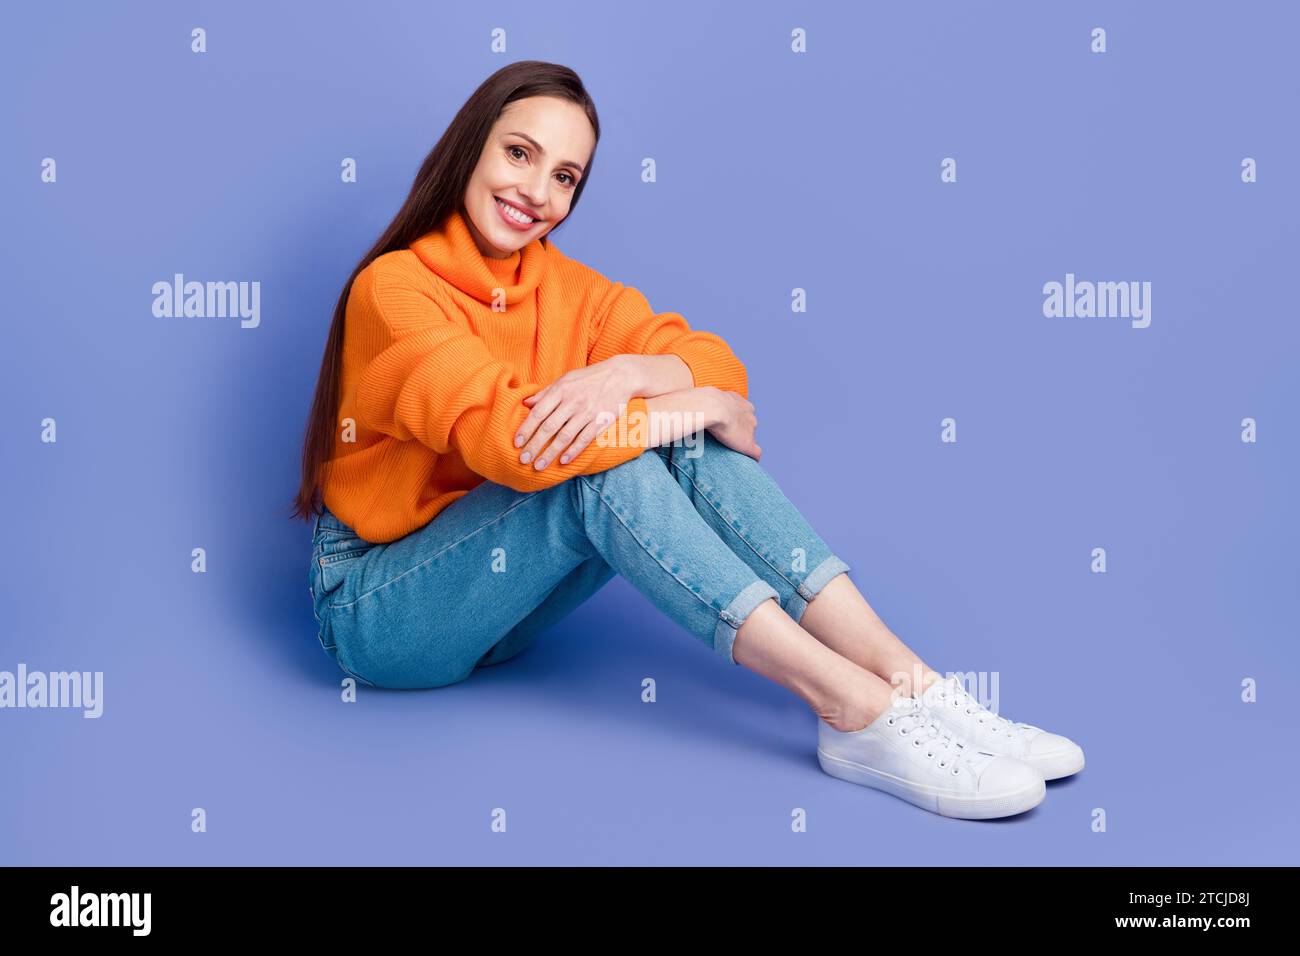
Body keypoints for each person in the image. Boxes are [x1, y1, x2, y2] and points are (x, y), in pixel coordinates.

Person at [289, 61, 1083, 820]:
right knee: (607, 467)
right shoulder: (393, 288)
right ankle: (853, 705)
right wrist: (695, 406)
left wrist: (634, 372)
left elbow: (717, 363)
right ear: (472, 146)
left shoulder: (568, 288)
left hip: (500, 611)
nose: (536, 192)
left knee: (677, 442)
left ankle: (912, 683)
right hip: (382, 611)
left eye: (565, 176)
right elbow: (521, 448)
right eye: (520, 153)